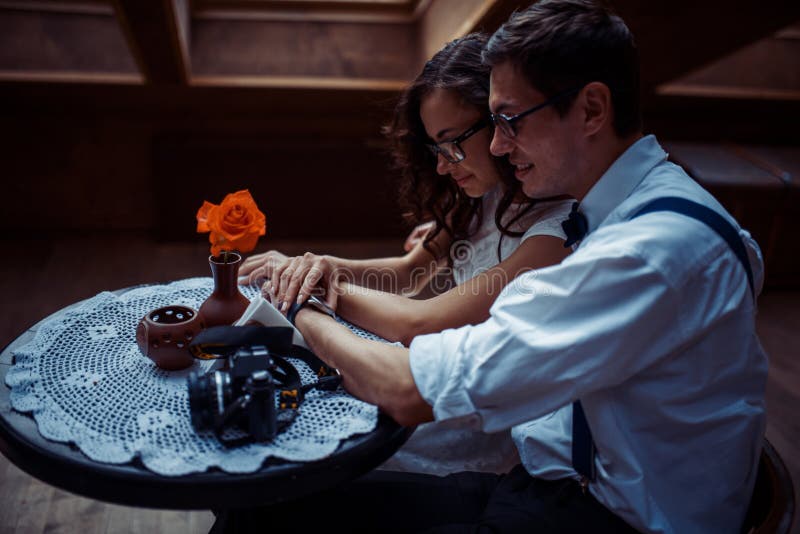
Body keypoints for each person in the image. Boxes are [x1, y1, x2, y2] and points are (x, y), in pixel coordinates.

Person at [216, 1, 767, 532]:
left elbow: (411, 386)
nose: (500, 147)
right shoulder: (632, 211)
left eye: (510, 121)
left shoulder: (644, 249)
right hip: (552, 482)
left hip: (605, 516)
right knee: (258, 504)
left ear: (592, 110)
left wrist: (300, 305)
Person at [241, 34, 575, 476]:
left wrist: (309, 291)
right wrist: (314, 262)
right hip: (430, 374)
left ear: (500, 121)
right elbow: (406, 271)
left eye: (452, 142)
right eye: (435, 148)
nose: (442, 165)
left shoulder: (558, 230)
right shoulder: (487, 193)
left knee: (303, 454)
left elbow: (421, 322)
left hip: (473, 413)